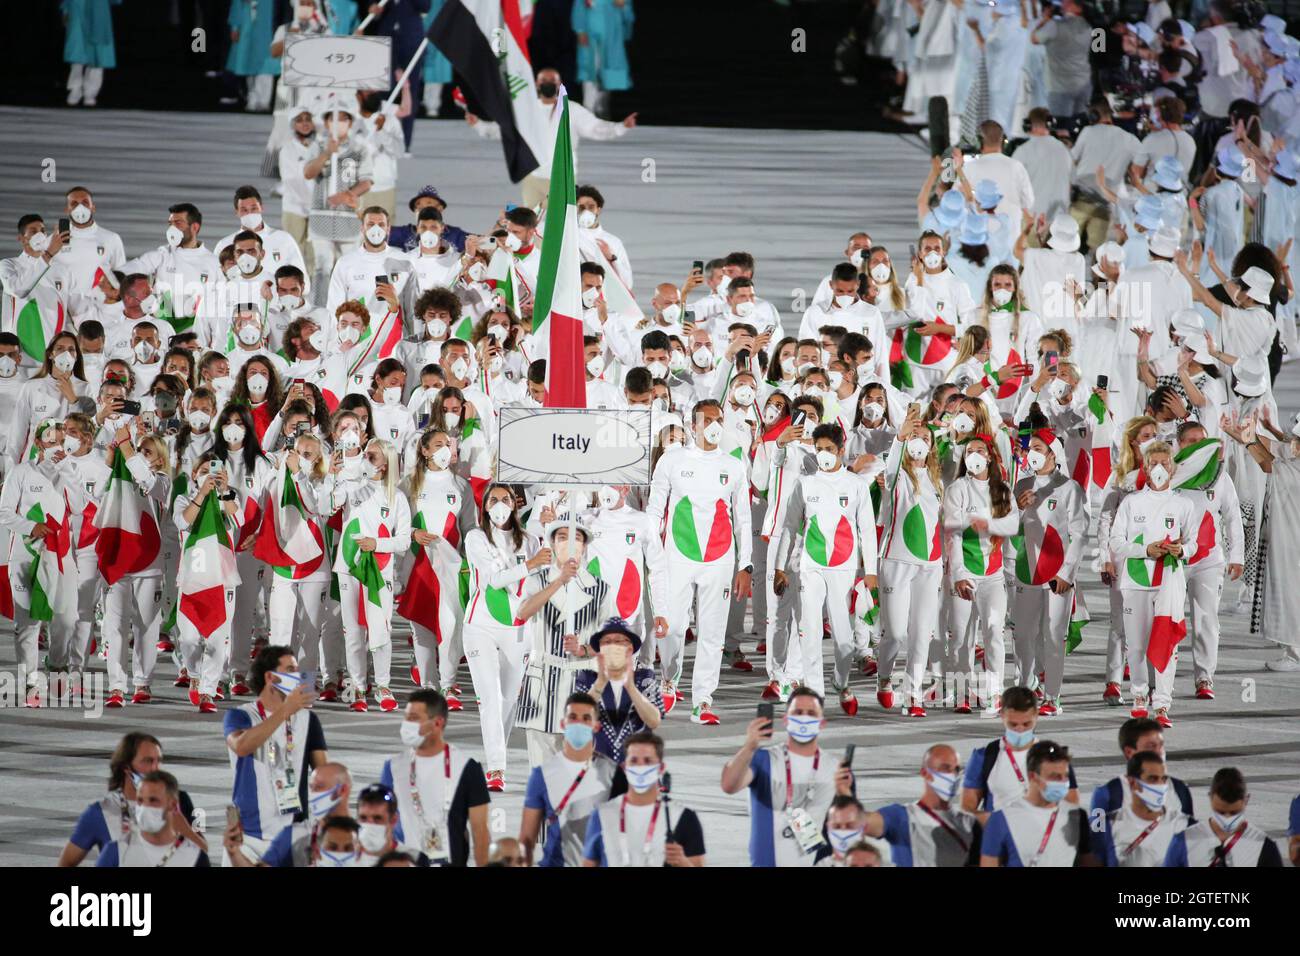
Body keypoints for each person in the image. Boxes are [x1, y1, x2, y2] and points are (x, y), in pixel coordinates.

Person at [646, 399, 752, 724]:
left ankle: (702, 701)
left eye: (718, 419)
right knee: (673, 628)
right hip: (678, 554)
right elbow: (654, 510)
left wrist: (745, 565)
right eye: (706, 420)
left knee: (712, 633)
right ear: (693, 426)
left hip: (719, 558)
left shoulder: (733, 465)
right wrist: (654, 552)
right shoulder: (672, 460)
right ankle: (669, 676)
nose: (713, 425)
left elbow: (744, 519)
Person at [772, 423, 877, 713]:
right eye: (819, 449)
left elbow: (867, 530)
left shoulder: (856, 485)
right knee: (810, 631)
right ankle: (815, 695)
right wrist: (780, 567)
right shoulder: (806, 483)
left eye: (829, 449)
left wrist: (871, 572)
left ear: (842, 450)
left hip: (843, 569)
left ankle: (841, 682)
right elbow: (790, 528)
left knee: (845, 643)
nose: (824, 455)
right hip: (811, 567)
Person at [1108, 440, 1198, 726]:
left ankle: (1162, 704)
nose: (1159, 468)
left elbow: (1194, 543)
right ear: (1145, 467)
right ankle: (1138, 694)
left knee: (1167, 642)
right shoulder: (1131, 502)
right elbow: (1116, 543)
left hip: (1169, 583)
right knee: (1135, 645)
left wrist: (1181, 550)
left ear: (1173, 468)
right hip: (1135, 582)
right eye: (1154, 463)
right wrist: (1147, 550)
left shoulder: (1184, 504)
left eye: (1165, 463)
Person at [719, 687, 853, 867]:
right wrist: (749, 747)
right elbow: (729, 785)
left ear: (821, 723)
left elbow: (850, 829)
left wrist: (846, 794)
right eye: (798, 712)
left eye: (811, 713)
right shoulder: (762, 759)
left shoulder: (836, 769)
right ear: (786, 720)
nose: (804, 717)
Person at [465, 67, 637, 207]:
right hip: (532, 177)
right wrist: (478, 124)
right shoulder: (526, 110)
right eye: (544, 81)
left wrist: (621, 126)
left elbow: (596, 128)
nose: (548, 84)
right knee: (531, 225)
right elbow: (502, 131)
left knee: (559, 226)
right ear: (536, 84)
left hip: (562, 178)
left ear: (559, 84)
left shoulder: (572, 109)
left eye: (552, 81)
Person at [222, 645, 329, 864]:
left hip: (292, 837)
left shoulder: (308, 720)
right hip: (248, 837)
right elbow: (241, 746)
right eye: (291, 670)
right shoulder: (240, 715)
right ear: (271, 677)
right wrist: (284, 711)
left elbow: (324, 776)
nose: (299, 677)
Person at [380, 689, 491, 867]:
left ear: (437, 723)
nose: (407, 725)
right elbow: (383, 826)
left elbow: (480, 832)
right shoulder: (393, 768)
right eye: (406, 718)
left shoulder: (467, 768)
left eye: (414, 718)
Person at [58, 732, 202, 866]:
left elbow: (201, 855)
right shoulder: (100, 813)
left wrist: (185, 831)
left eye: (158, 761)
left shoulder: (179, 802)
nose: (155, 768)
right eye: (148, 761)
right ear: (126, 767)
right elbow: (66, 863)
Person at [520, 692, 625, 867]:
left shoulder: (614, 774)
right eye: (573, 717)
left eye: (586, 718)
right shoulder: (542, 776)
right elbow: (526, 840)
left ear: (596, 726)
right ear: (563, 723)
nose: (579, 724)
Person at [581, 731, 707, 867]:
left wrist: (683, 862)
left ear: (661, 768)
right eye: (634, 761)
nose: (640, 767)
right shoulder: (601, 816)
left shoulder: (683, 817)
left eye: (648, 761)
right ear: (624, 767)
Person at [961, 685, 1078, 823]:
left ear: (1036, 715)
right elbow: (968, 810)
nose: (1020, 730)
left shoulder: (1055, 759)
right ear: (1002, 715)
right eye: (1013, 724)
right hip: (999, 840)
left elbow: (1071, 808)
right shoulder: (985, 757)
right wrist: (998, 825)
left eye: (1026, 724)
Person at [979, 741, 1095, 866]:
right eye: (1055, 777)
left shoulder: (1077, 817)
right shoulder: (1002, 820)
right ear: (1033, 777)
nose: (1062, 782)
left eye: (1065, 776)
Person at [861, 744, 979, 867]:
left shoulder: (969, 823)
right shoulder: (901, 817)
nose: (953, 775)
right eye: (945, 768)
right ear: (925, 773)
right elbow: (857, 823)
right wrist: (845, 794)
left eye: (956, 770)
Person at [225, 761, 352, 867]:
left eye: (319, 787)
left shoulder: (365, 838)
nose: (313, 794)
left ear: (343, 790)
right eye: (312, 787)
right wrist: (234, 852)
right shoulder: (293, 836)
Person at [574, 618, 664, 764]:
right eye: (607, 642)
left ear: (629, 648)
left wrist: (631, 688)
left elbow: (654, 721)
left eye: (619, 641)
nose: (613, 647)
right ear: (599, 649)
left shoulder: (645, 679)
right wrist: (601, 682)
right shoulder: (587, 678)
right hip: (597, 773)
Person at [1164, 768, 1283, 866]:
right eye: (1220, 812)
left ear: (1246, 800)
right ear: (1210, 797)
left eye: (1234, 812)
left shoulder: (1264, 847)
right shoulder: (1184, 841)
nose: (1227, 818)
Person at [1094, 751, 1191, 867]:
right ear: (1132, 782)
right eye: (1153, 779)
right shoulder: (1108, 826)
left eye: (1164, 779)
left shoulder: (1183, 825)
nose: (1161, 785)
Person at [96, 771, 209, 867]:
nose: (145, 807)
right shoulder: (116, 851)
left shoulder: (194, 856)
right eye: (140, 800)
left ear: (173, 805)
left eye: (153, 800)